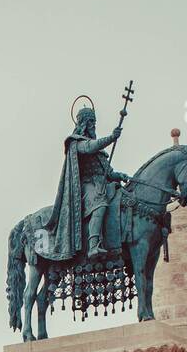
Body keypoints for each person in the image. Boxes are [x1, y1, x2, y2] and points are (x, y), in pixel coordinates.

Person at [44, 106, 132, 261]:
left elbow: (108, 172)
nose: (93, 125)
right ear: (83, 123)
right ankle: (93, 246)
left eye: (94, 121)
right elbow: (91, 147)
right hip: (86, 186)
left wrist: (119, 175)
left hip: (101, 184)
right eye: (90, 121)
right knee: (100, 204)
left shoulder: (100, 152)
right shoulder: (77, 143)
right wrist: (112, 137)